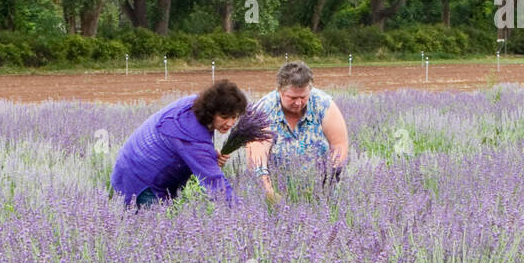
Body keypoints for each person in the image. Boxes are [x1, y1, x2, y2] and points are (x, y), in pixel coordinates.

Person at [111, 79, 246, 210]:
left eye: (234, 117)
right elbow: (214, 184)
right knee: (155, 229)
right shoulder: (190, 134)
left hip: (130, 166)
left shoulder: (194, 104)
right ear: (210, 112)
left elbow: (190, 151)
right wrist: (239, 214)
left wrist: (209, 156)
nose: (229, 123)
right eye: (224, 117)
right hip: (141, 182)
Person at [245, 61, 350, 200]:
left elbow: (339, 145)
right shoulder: (264, 111)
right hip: (276, 190)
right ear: (280, 90)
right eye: (293, 98)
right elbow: (257, 161)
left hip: (320, 191)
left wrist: (330, 178)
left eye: (303, 97)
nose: (299, 102)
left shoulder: (323, 104)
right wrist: (269, 194)